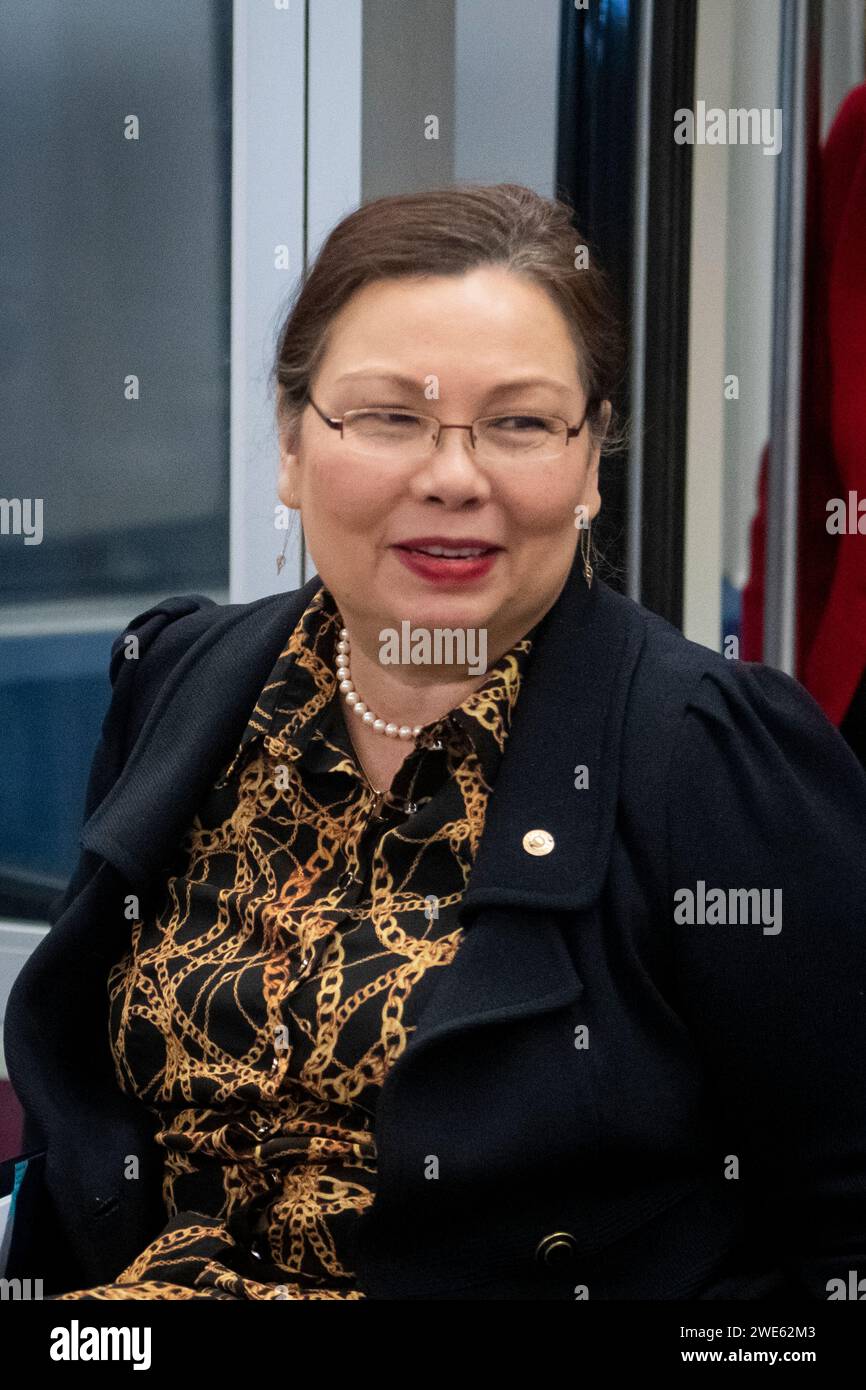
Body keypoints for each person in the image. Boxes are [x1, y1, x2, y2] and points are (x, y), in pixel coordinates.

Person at [6, 183, 866, 1300]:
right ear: (288, 442)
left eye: (516, 422)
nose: (452, 476)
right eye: (388, 417)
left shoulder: (713, 754)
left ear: (590, 455)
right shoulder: (180, 679)